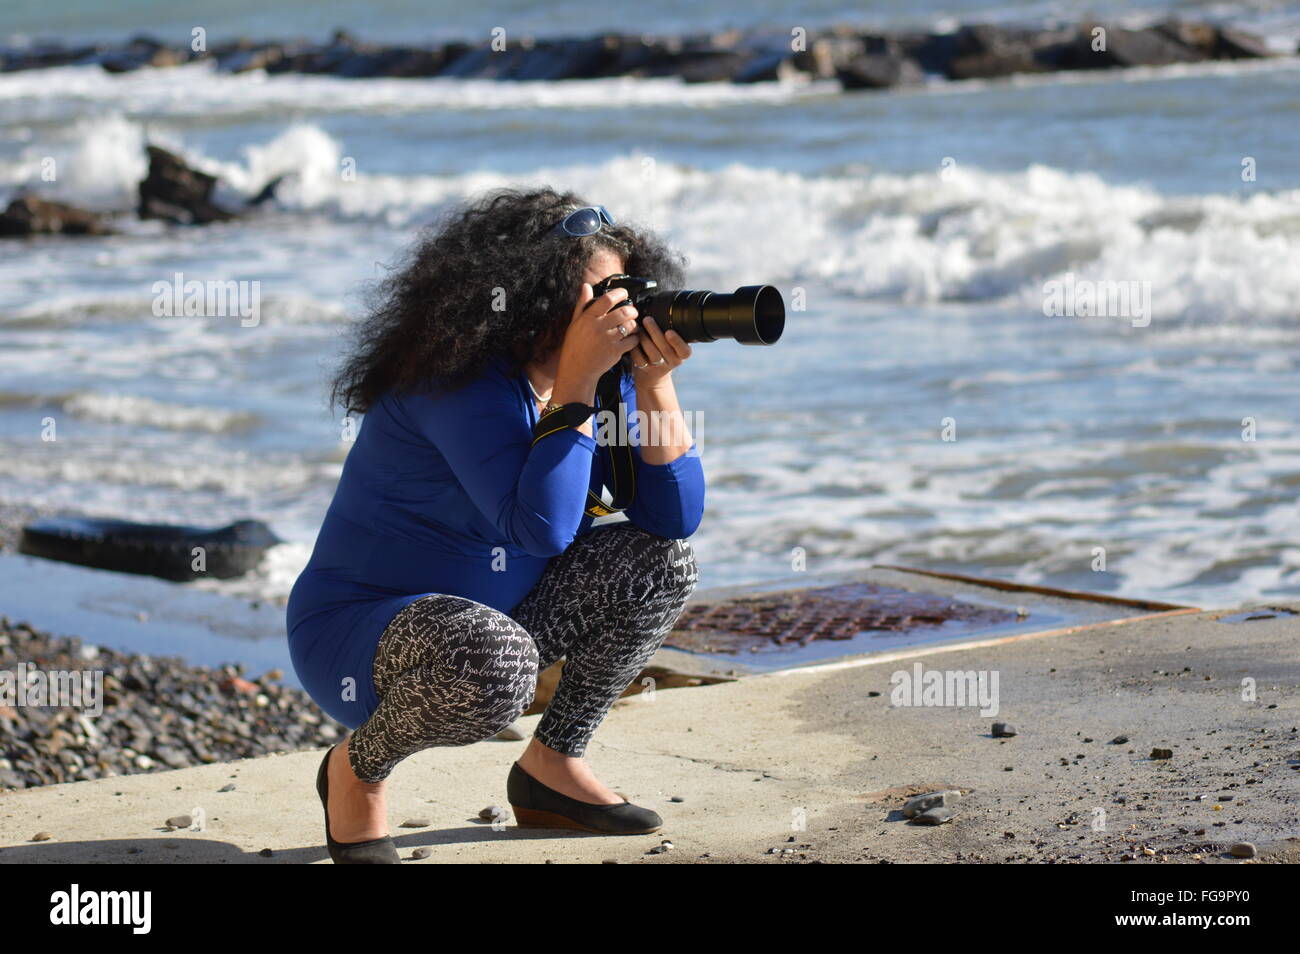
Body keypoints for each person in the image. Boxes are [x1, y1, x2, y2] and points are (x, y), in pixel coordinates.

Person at [286, 187, 704, 863]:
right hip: (360, 632)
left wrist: (653, 385)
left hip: (497, 624)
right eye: (600, 296)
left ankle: (551, 765)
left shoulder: (598, 380)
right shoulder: (452, 383)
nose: (620, 313)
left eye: (628, 292)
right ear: (532, 296)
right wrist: (575, 384)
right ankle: (356, 770)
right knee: (496, 658)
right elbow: (538, 528)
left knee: (661, 562)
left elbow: (671, 519)